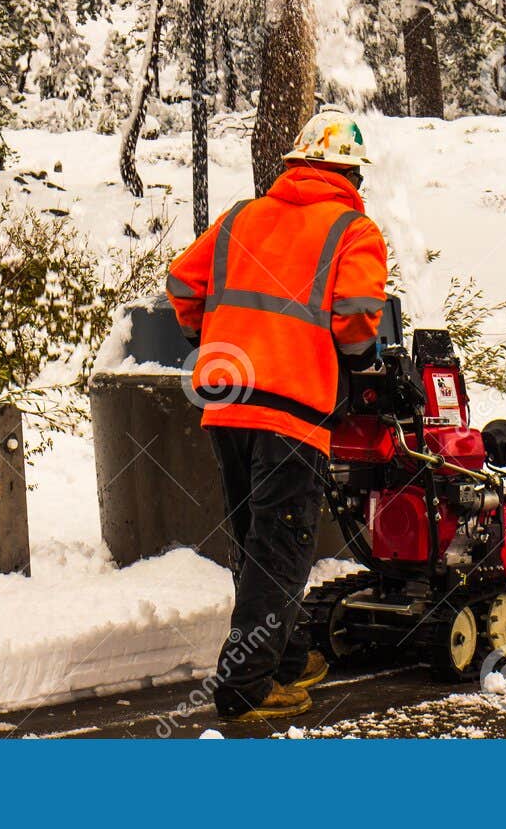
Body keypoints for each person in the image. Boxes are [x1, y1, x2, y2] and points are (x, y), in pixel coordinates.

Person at [166, 110, 389, 721]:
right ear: (347, 172)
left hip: (228, 402)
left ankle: (287, 660)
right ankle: (245, 689)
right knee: (284, 547)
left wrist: (203, 338)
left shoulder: (242, 216)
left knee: (257, 541)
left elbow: (182, 286)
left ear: (297, 163)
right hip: (292, 409)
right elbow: (356, 314)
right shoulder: (352, 229)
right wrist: (359, 357)